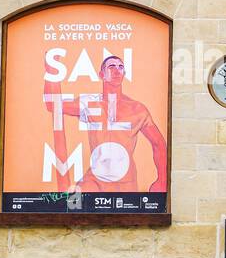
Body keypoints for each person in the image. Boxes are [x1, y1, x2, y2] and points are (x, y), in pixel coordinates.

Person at [43, 55, 167, 193]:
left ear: (124, 74)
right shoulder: (89, 103)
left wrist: (162, 181)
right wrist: (50, 73)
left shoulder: (137, 109)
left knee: (126, 214)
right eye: (111, 66)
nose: (117, 70)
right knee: (73, 205)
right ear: (102, 74)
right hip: (95, 178)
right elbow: (52, 105)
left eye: (120, 67)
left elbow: (159, 143)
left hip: (125, 180)